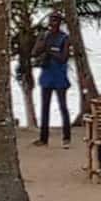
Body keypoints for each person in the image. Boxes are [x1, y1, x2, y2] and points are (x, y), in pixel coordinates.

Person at [33, 12, 71, 148]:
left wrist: (51, 51)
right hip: (47, 76)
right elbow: (35, 52)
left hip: (59, 76)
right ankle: (43, 138)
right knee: (45, 107)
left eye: (55, 20)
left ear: (59, 22)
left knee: (63, 107)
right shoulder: (44, 36)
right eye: (51, 20)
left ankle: (66, 137)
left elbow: (64, 57)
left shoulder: (64, 38)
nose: (52, 23)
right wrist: (44, 45)